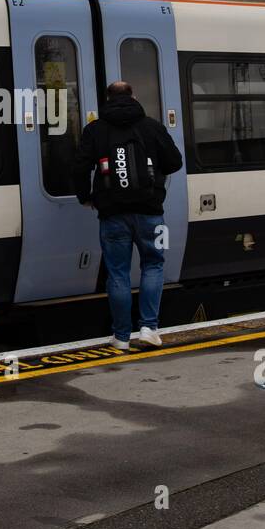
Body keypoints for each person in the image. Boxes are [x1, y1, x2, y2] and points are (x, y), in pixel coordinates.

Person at [72, 80, 184, 351]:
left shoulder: (95, 130)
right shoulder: (152, 127)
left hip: (112, 216)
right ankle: (149, 328)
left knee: (118, 273)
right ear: (133, 96)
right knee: (154, 265)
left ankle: (121, 336)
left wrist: (85, 197)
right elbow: (175, 162)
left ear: (107, 99)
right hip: (152, 214)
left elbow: (78, 167)